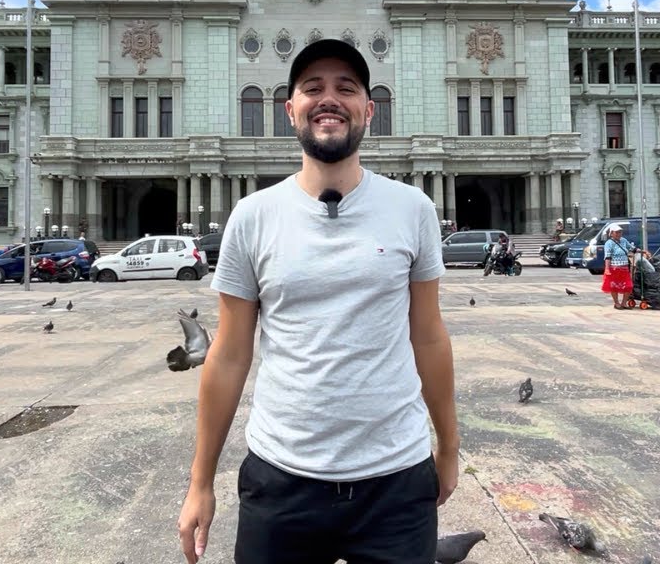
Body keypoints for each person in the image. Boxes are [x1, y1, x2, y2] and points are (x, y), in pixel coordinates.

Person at [177, 39, 457, 564]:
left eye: (346, 88)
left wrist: (448, 447)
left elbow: (429, 337)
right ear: (290, 109)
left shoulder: (412, 209)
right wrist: (200, 481)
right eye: (313, 88)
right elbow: (230, 355)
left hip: (396, 483)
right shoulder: (253, 215)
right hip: (281, 481)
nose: (329, 99)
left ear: (369, 110)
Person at [601, 224, 636, 310]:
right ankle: (616, 303)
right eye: (616, 232)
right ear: (611, 233)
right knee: (614, 286)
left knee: (628, 286)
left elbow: (632, 248)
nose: (619, 234)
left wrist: (642, 251)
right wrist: (607, 269)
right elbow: (607, 257)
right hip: (614, 268)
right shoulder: (609, 243)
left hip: (624, 268)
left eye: (620, 232)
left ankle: (624, 303)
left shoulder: (623, 240)